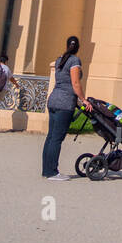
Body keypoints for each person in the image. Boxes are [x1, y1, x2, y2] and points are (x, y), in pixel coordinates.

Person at [42, 35, 92, 180]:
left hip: (53, 100)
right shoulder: (74, 60)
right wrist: (84, 100)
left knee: (51, 136)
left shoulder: (60, 59)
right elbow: (75, 83)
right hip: (64, 103)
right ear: (78, 47)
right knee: (57, 138)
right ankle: (52, 172)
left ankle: (46, 170)